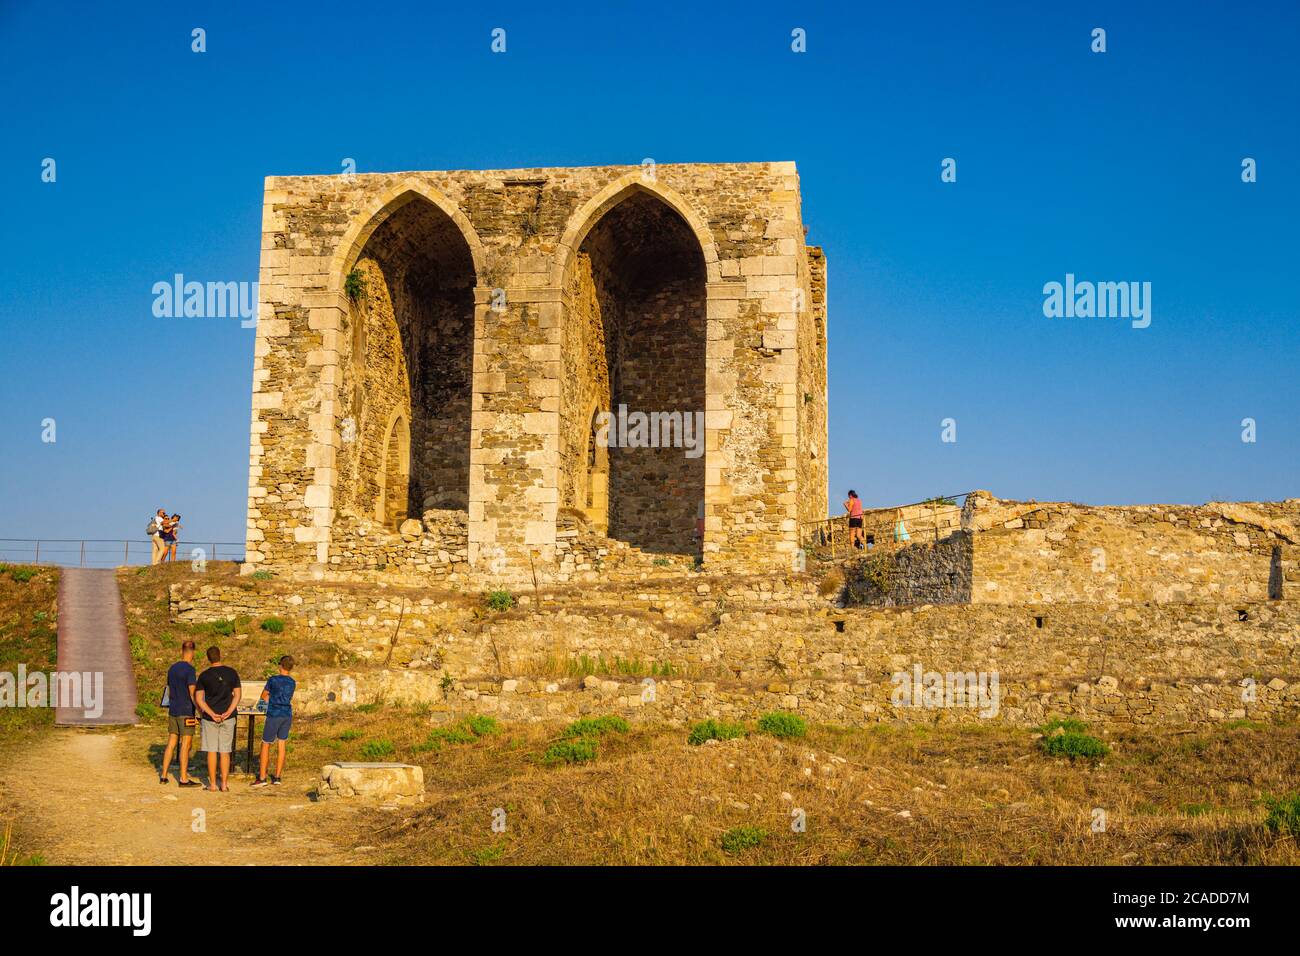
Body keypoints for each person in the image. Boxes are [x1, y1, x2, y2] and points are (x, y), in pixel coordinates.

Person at [195, 646, 242, 792]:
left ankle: (213, 784)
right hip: (228, 717)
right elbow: (238, 695)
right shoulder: (232, 673)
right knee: (225, 751)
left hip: (210, 717)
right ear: (220, 655)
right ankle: (224, 784)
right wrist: (228, 711)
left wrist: (211, 713)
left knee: (211, 750)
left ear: (208, 658)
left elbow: (199, 699)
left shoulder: (204, 676)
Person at [159, 640, 202, 787]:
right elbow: (192, 692)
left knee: (171, 742)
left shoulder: (172, 668)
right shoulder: (190, 670)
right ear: (193, 652)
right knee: (186, 743)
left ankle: (164, 775)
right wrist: (200, 710)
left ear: (182, 650)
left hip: (174, 710)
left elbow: (169, 690)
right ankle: (183, 778)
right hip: (186, 711)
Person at [251, 656, 296, 788]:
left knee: (266, 744)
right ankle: (277, 777)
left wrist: (268, 700)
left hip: (274, 714)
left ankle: (262, 777)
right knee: (281, 744)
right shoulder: (292, 682)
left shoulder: (273, 680)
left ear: (280, 665)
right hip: (286, 714)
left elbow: (264, 695)